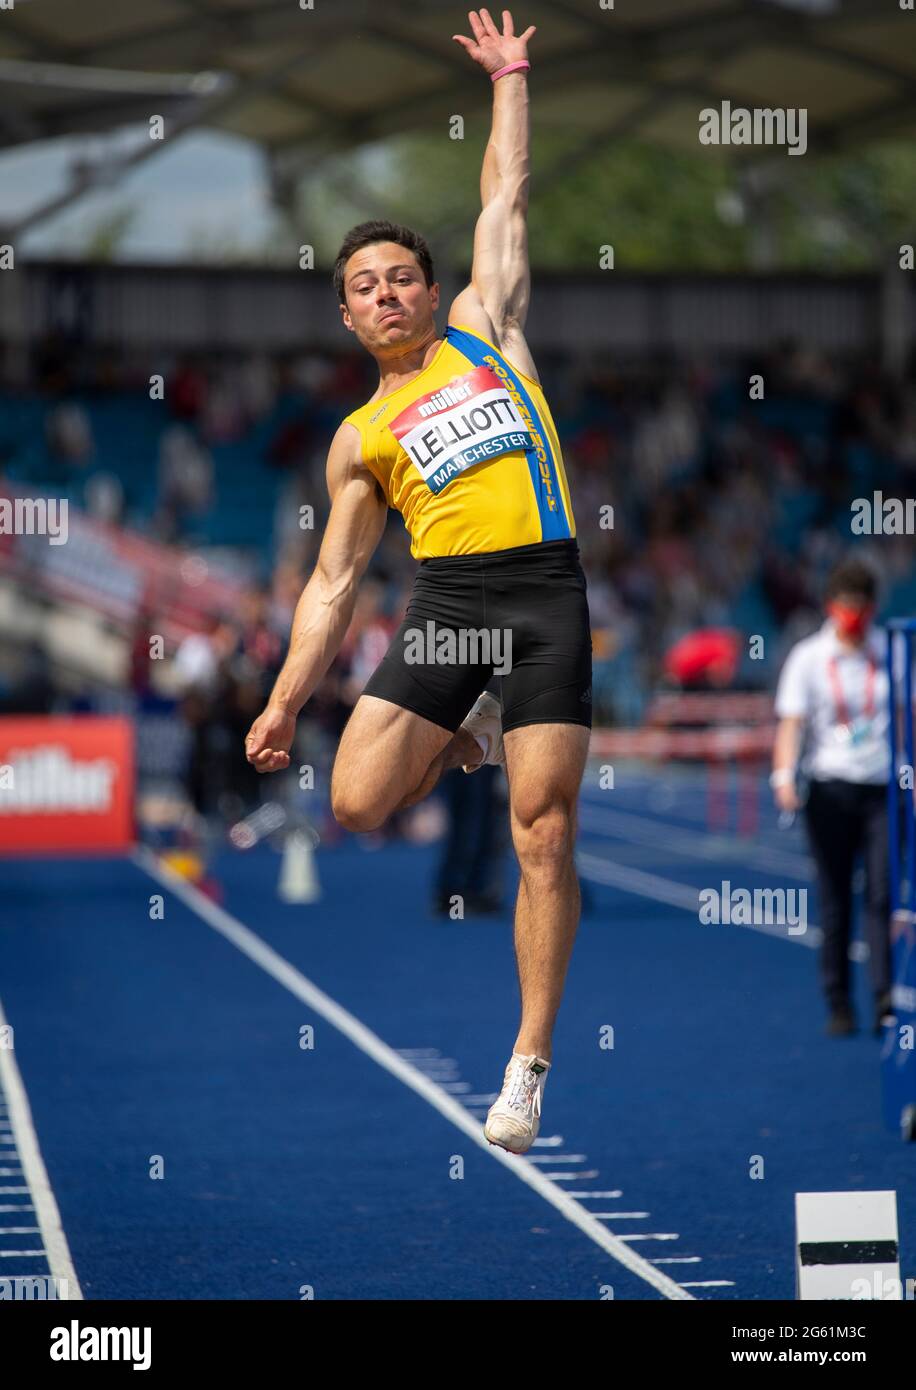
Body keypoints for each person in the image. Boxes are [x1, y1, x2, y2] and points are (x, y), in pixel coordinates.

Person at [244, 9, 592, 1154]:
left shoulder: (487, 327)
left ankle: (529, 1062)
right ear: (344, 313)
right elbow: (336, 585)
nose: (389, 293)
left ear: (432, 291)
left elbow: (504, 193)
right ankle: (470, 728)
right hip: (447, 606)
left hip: (541, 595)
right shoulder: (359, 436)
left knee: (541, 834)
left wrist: (510, 76)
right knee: (351, 802)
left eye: (403, 277)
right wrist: (286, 699)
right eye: (366, 285)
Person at [772, 559, 894, 1037]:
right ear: (831, 607)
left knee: (883, 894)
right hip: (830, 786)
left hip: (883, 787)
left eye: (861, 609)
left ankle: (885, 994)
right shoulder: (808, 657)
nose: (853, 617)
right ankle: (839, 1001)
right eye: (846, 608)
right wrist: (783, 776)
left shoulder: (889, 650)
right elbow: (792, 723)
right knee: (835, 898)